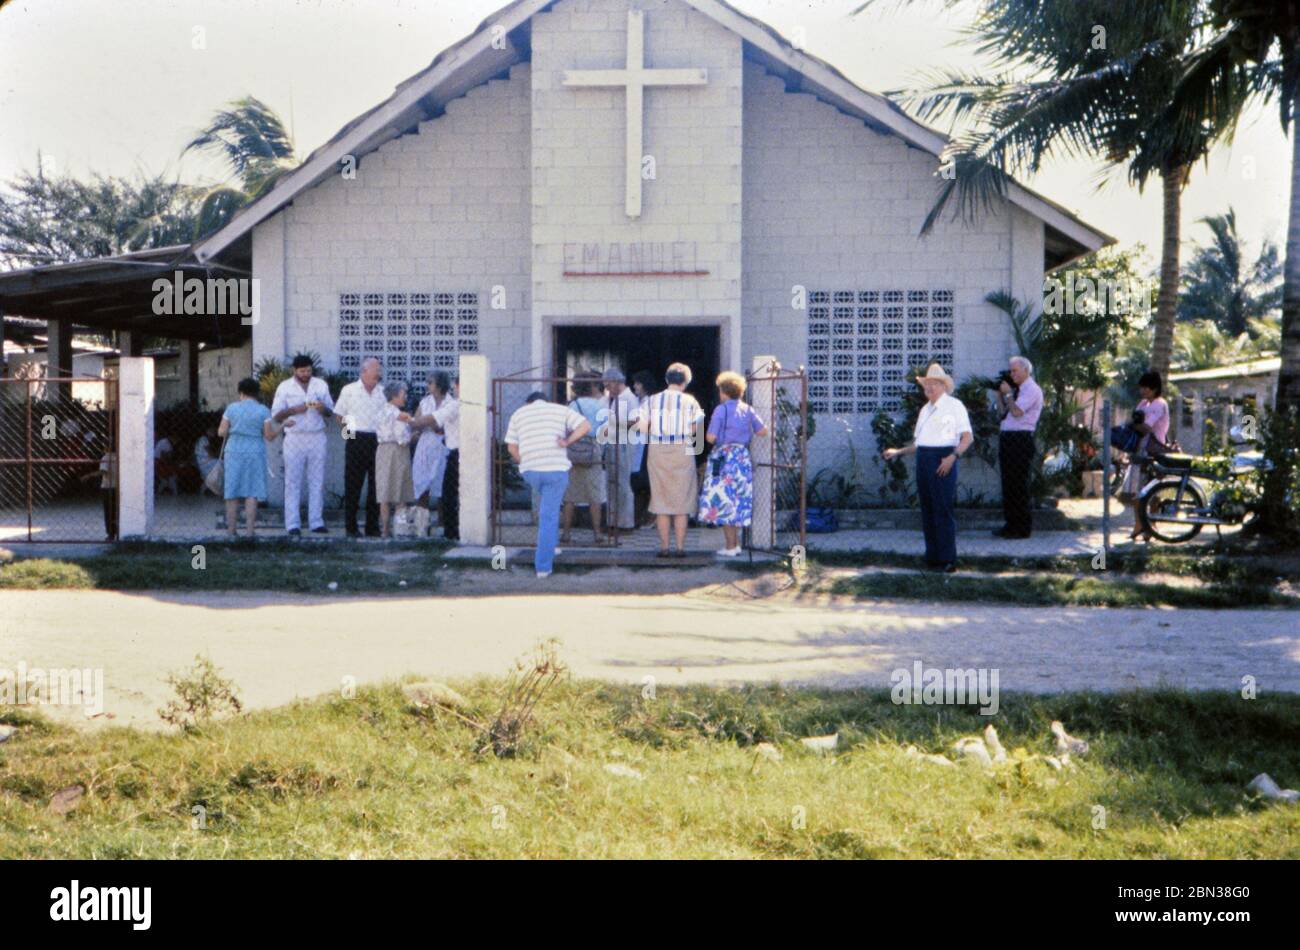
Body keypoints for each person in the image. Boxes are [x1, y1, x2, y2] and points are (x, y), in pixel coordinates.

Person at [882, 364, 973, 573]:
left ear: (943, 385)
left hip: (943, 458)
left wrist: (952, 457)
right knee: (928, 510)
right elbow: (919, 444)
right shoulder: (925, 409)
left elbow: (967, 438)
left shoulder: (955, 406)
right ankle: (933, 558)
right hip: (924, 460)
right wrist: (898, 451)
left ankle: (947, 560)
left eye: (934, 384)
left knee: (942, 509)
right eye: (927, 384)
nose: (929, 388)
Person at [505, 392, 591, 578]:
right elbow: (585, 426)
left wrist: (525, 461)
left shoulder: (519, 414)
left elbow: (511, 447)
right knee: (549, 516)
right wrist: (567, 441)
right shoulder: (560, 410)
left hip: (531, 472)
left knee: (547, 509)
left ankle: (549, 547)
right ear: (546, 400)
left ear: (529, 402)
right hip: (555, 470)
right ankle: (543, 566)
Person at [635, 362, 705, 557]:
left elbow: (641, 427)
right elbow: (695, 428)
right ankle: (681, 548)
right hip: (682, 449)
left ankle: (664, 548)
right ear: (686, 381)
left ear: (667, 380)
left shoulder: (651, 401)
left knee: (661, 499)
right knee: (682, 500)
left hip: (657, 449)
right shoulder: (690, 401)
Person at [698, 371, 768, 557]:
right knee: (738, 500)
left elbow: (711, 438)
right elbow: (762, 431)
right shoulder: (747, 409)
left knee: (723, 500)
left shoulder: (721, 410)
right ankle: (735, 545)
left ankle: (730, 546)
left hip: (723, 457)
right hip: (742, 458)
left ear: (723, 391)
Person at [272, 355, 336, 536]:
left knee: (317, 480)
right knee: (292, 481)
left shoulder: (320, 385)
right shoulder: (285, 387)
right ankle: (292, 524)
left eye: (308, 370)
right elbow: (276, 415)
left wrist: (321, 407)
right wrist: (294, 410)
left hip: (316, 436)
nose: (306, 374)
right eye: (302, 371)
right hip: (294, 437)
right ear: (294, 370)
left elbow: (330, 412)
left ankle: (316, 522)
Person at [333, 357, 388, 538]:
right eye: (375, 370)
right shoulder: (349, 390)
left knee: (376, 486)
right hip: (356, 439)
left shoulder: (383, 392)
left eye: (379, 371)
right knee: (353, 486)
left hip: (377, 441)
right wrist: (350, 438)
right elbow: (339, 415)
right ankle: (351, 527)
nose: (378, 374)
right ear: (364, 372)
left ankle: (372, 527)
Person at [218, 377, 275, 539]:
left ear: (240, 392)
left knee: (232, 490)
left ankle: (231, 531)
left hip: (234, 450)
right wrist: (283, 426)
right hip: (255, 451)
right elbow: (269, 435)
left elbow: (221, 431)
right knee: (252, 491)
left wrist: (235, 429)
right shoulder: (263, 410)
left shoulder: (231, 408)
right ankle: (250, 531)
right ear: (257, 393)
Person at [993, 355, 1043, 540]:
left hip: (1020, 439)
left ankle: (1021, 528)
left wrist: (1007, 395)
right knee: (1008, 483)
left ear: (1025, 370)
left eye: (1014, 371)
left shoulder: (1031, 390)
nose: (1011, 374)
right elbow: (1003, 414)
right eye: (1010, 371)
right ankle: (1010, 524)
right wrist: (1001, 396)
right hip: (1008, 438)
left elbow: (1017, 412)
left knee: (1019, 484)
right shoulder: (1018, 391)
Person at [1124, 370, 1172, 540]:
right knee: (1136, 490)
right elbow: (1136, 423)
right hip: (1139, 451)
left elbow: (1145, 427)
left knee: (1153, 491)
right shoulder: (1143, 404)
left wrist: (1133, 425)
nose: (1143, 391)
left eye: (1146, 388)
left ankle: (1151, 524)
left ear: (1154, 388)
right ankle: (1139, 523)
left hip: (1153, 451)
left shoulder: (1159, 404)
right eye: (1142, 388)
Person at [561, 371, 607, 543]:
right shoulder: (599, 406)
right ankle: (597, 533)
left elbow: (565, 427)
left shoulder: (572, 406)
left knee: (570, 495)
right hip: (593, 448)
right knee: (594, 495)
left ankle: (566, 533)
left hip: (573, 448)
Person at [598, 367, 639, 536]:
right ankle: (612, 521)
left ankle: (625, 523)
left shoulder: (629, 399)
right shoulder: (612, 399)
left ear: (617, 382)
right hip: (611, 443)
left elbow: (635, 421)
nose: (607, 389)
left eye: (608, 385)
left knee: (622, 483)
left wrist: (615, 425)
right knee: (611, 483)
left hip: (623, 443)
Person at [410, 371, 451, 538]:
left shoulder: (451, 402)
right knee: (422, 484)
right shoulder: (425, 402)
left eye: (430, 383)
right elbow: (415, 422)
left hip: (443, 446)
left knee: (442, 486)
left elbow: (449, 424)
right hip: (426, 445)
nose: (428, 386)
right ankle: (422, 525)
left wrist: (431, 423)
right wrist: (426, 423)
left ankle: (442, 525)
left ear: (439, 385)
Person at [375, 380, 415, 539]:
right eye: (403, 394)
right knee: (400, 492)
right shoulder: (399, 414)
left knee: (384, 492)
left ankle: (385, 529)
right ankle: (400, 529)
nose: (405, 397)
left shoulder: (381, 411)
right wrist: (414, 435)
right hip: (397, 451)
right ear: (395, 396)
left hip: (382, 450)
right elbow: (402, 438)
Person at [430, 376, 461, 540]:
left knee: (448, 492)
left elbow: (434, 421)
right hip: (468, 451)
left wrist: (413, 422)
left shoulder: (453, 403)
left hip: (453, 450)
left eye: (431, 383)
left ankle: (451, 531)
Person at [629, 370, 657, 527]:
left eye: (637, 383)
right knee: (639, 481)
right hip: (638, 444)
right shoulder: (638, 401)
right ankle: (640, 516)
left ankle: (650, 515)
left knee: (645, 481)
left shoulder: (650, 402)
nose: (634, 387)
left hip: (646, 444)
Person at [194, 424, 221, 493]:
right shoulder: (204, 439)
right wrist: (218, 455)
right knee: (222, 463)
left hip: (204, 461)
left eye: (214, 431)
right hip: (205, 462)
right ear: (207, 431)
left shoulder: (203, 439)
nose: (214, 433)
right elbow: (210, 454)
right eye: (211, 431)